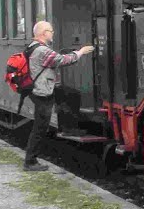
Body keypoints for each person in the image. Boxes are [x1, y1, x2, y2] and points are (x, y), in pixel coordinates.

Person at [23, 21, 94, 171]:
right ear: (43, 33)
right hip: (42, 92)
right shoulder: (42, 50)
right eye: (50, 31)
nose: (52, 33)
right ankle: (30, 162)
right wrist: (80, 52)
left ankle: (70, 127)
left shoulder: (33, 47)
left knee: (72, 95)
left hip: (43, 88)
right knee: (40, 128)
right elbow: (63, 60)